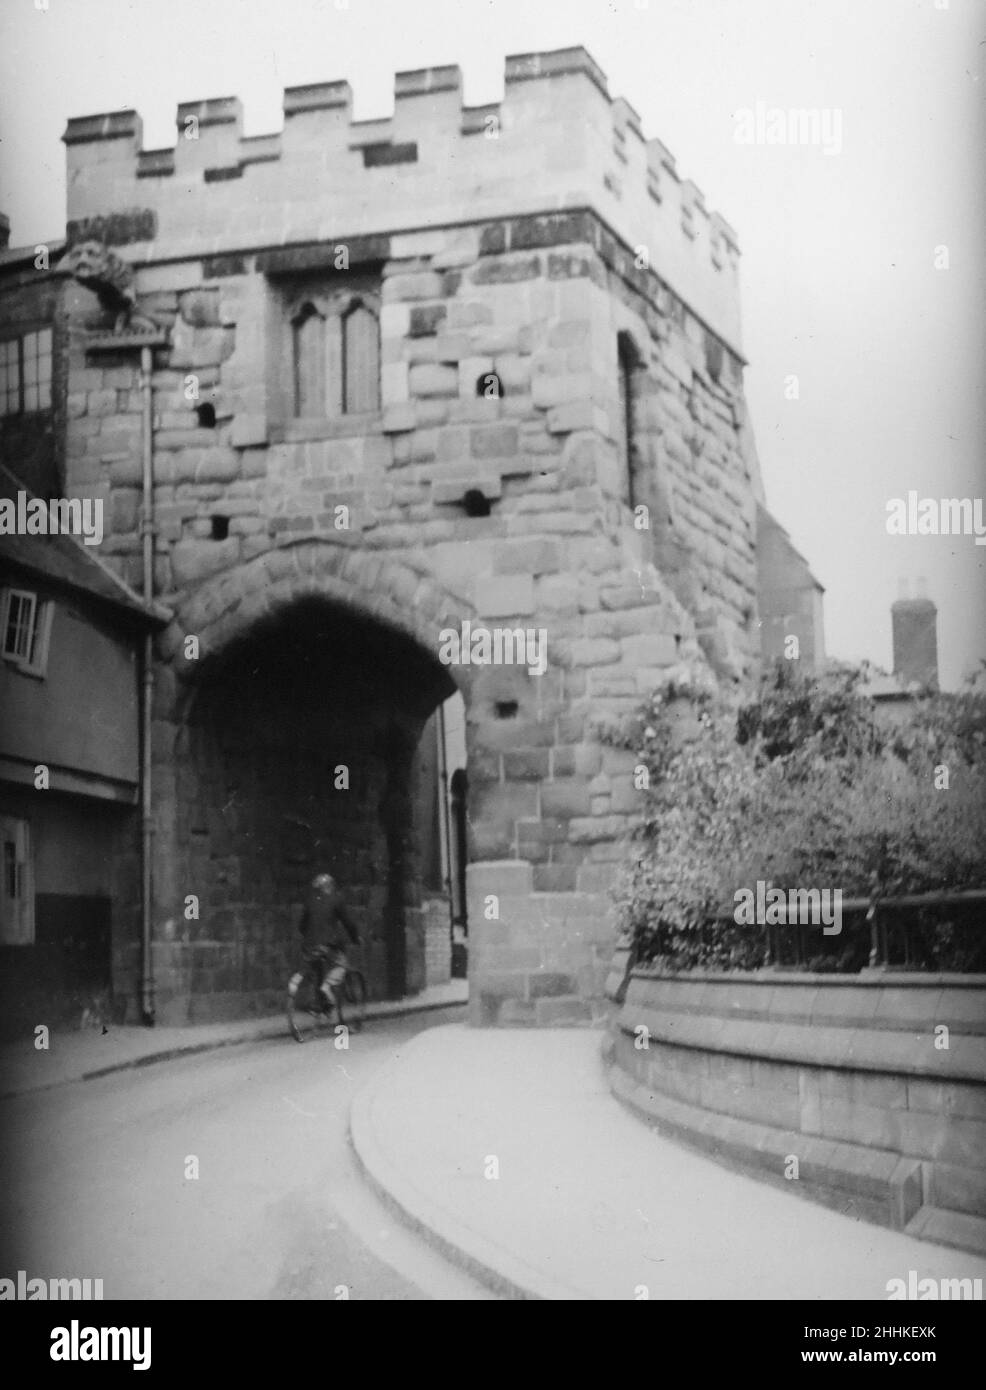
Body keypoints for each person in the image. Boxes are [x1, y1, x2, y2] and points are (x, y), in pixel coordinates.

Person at [297, 873, 361, 1027]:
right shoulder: (336, 899)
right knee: (341, 965)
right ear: (330, 886)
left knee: (317, 968)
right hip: (328, 944)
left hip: (309, 946)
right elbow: (348, 923)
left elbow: (301, 926)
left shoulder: (310, 901)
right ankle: (327, 987)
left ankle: (320, 1004)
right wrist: (355, 937)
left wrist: (310, 938)